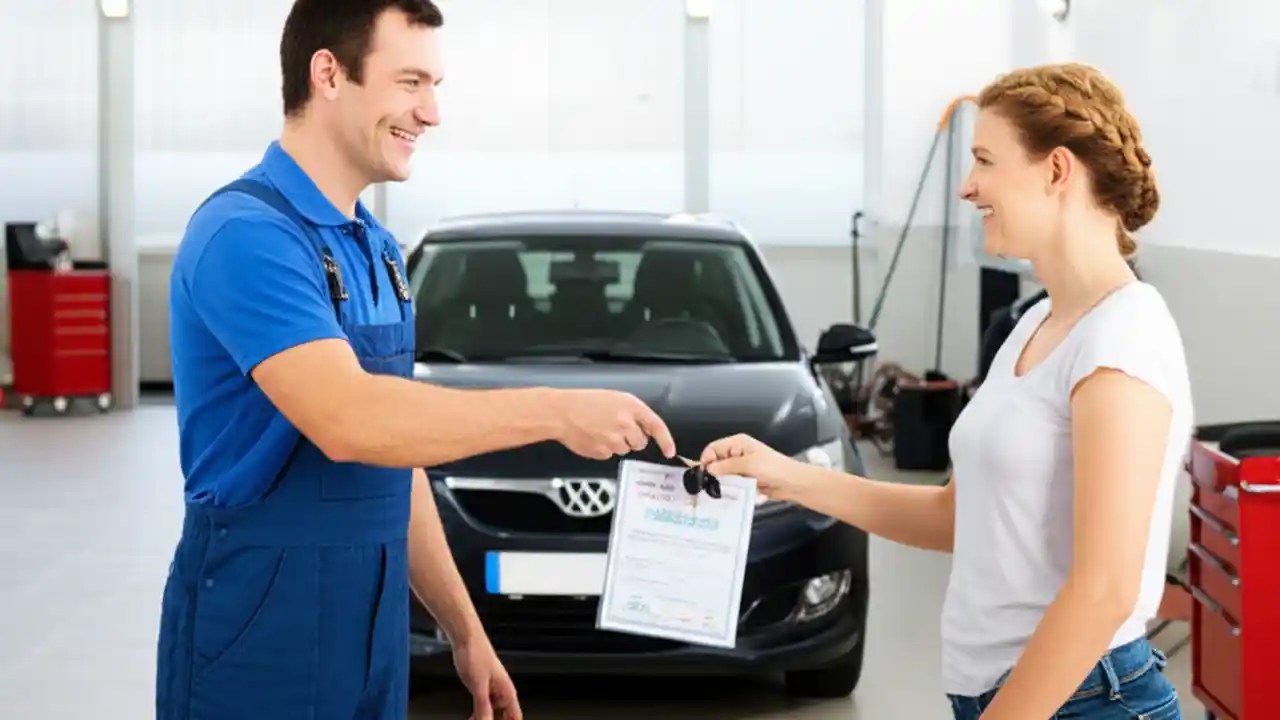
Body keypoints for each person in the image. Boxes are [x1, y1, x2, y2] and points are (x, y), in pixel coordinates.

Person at [155, 2, 676, 719]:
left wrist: (465, 631)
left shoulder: (378, 254)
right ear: (329, 74)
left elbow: (396, 459)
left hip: (371, 633)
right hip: (257, 631)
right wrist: (557, 411)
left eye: (435, 85)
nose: (430, 113)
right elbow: (351, 420)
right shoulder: (246, 236)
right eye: (411, 82)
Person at [698, 62, 1192, 720]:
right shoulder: (1034, 326)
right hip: (1017, 695)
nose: (968, 186)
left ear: (1056, 171)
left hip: (1083, 701)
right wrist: (786, 477)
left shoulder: (1122, 336)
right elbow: (959, 516)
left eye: (985, 160)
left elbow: (1104, 589)